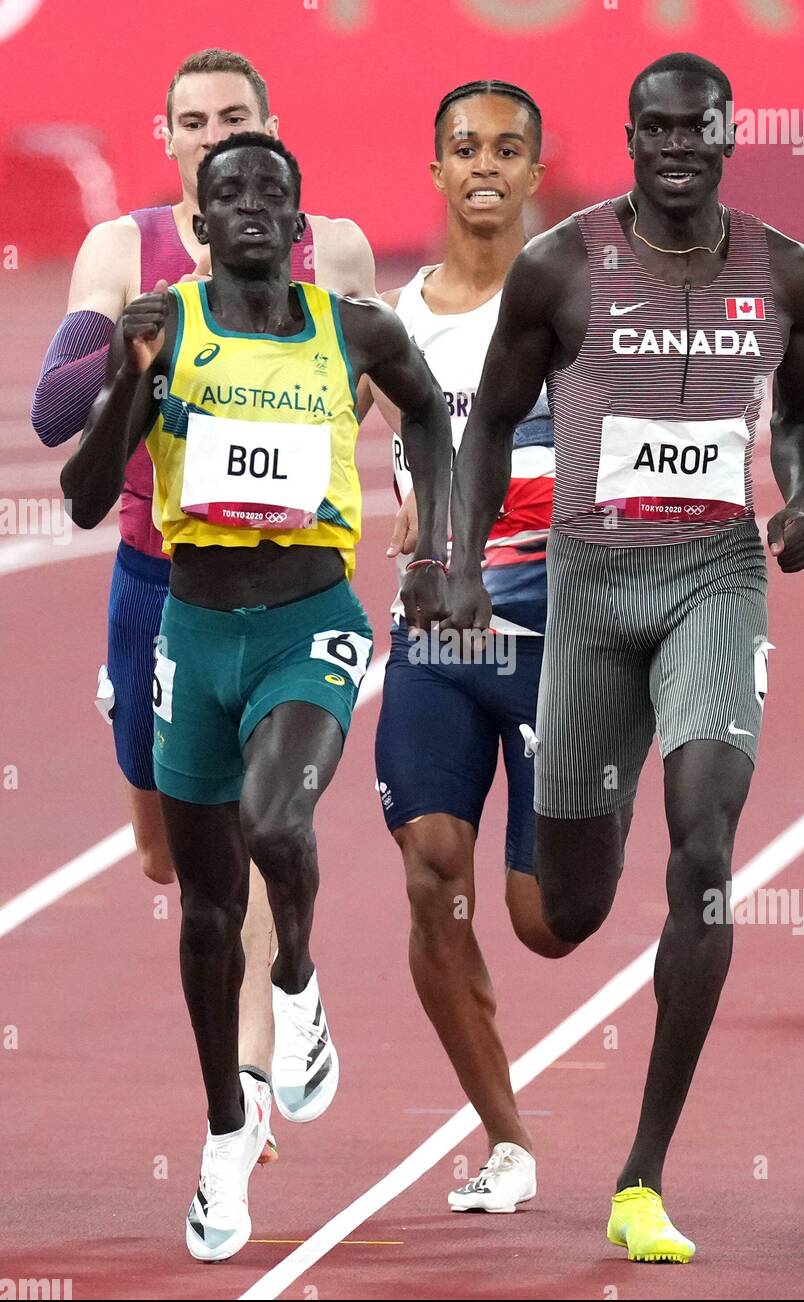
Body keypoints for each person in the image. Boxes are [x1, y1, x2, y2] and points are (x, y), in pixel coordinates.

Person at [446, 52, 804, 1261]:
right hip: (591, 593)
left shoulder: (787, 272)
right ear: (627, 138)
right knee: (566, 908)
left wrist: (801, 492)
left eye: (696, 128)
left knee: (706, 849)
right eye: (653, 130)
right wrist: (459, 557)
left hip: (715, 580)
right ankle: (580, 818)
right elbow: (491, 417)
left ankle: (640, 1175)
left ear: (728, 134)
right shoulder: (558, 266)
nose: (675, 147)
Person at [60, 132, 452, 1261]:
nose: (241, 205)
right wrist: (129, 385)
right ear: (198, 217)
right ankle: (226, 1140)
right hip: (193, 631)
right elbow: (89, 502)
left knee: (275, 818)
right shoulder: (168, 330)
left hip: (309, 623)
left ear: (294, 223)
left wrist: (447, 549)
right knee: (202, 908)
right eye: (221, 190)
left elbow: (427, 413)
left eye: (265, 193)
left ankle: (296, 984)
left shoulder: (353, 329)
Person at [31, 48, 377, 1155]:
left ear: (271, 135)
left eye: (235, 117)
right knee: (167, 855)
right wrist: (122, 354)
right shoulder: (118, 247)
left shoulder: (337, 249)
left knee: (262, 825)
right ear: (168, 138)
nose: (213, 134)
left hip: (289, 586)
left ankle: (256, 1066)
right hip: (156, 576)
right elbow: (52, 412)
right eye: (193, 121)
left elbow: (381, 379)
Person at [373, 81, 561, 1214]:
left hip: (557, 646)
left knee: (545, 922)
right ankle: (506, 1137)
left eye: (506, 149)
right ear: (434, 170)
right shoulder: (392, 324)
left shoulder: (576, 312)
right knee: (430, 869)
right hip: (437, 642)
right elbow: (310, 430)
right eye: (462, 148)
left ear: (536, 172)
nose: (482, 165)